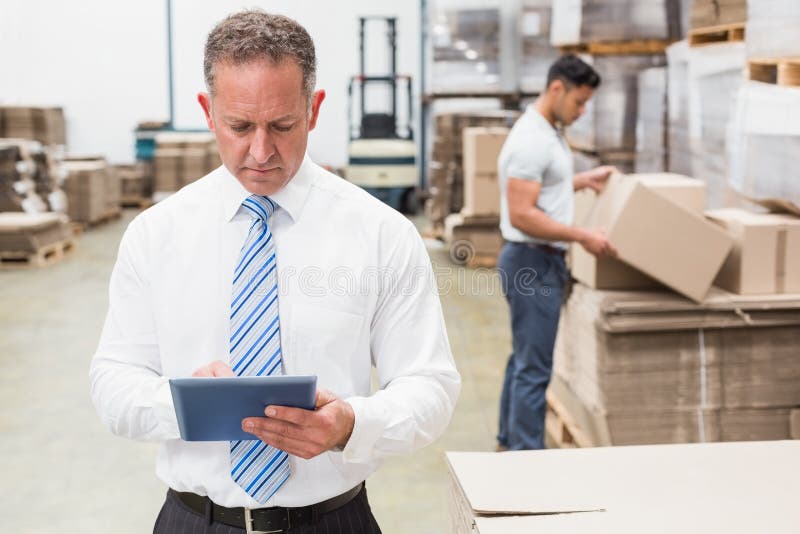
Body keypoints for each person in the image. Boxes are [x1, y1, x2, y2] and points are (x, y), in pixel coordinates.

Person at [89, 10, 460, 534]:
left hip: (333, 520)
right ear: (208, 111)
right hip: (196, 520)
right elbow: (112, 383)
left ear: (313, 109)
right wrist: (187, 405)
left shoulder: (381, 233)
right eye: (239, 126)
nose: (260, 152)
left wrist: (352, 424)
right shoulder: (157, 236)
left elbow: (431, 385)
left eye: (282, 125)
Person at [495, 54, 617, 451]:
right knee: (534, 369)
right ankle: (527, 459)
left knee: (524, 360)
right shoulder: (532, 140)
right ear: (557, 88)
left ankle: (507, 441)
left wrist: (579, 181)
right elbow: (523, 214)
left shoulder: (548, 131)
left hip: (535, 257)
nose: (582, 112)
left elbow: (543, 189)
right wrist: (582, 235)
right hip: (532, 260)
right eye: (579, 102)